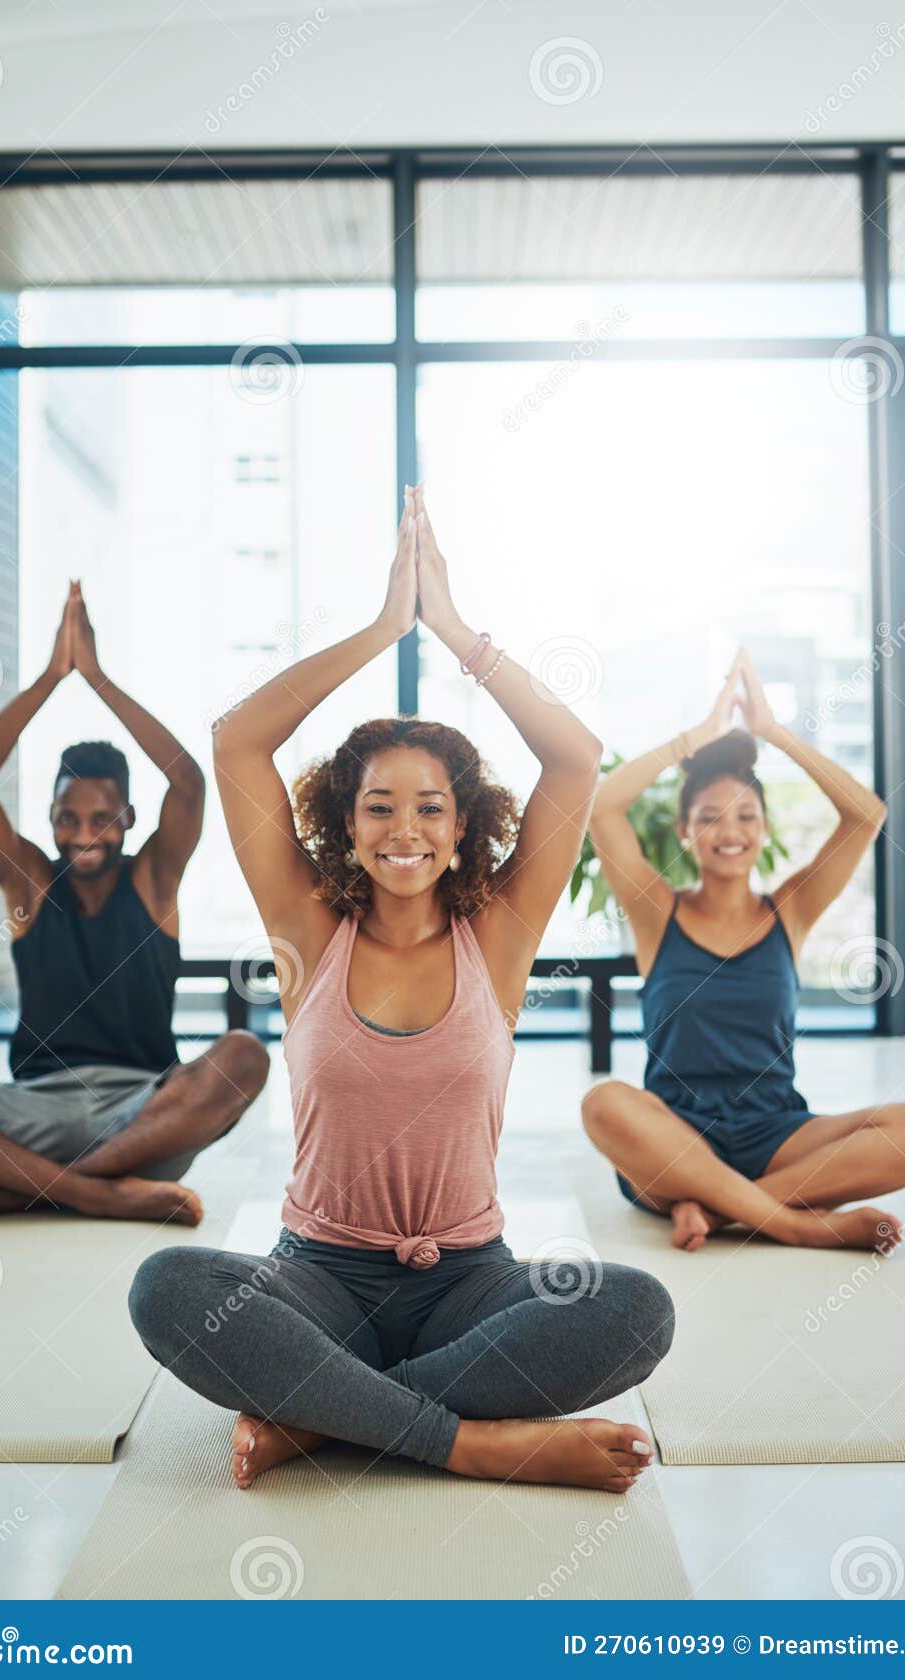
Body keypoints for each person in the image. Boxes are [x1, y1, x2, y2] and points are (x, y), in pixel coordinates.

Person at [128, 486, 675, 1495]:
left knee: (637, 1311)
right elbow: (238, 741)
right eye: (378, 805)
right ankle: (467, 1441)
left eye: (431, 807)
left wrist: (457, 631)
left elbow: (575, 757)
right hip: (317, 1274)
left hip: (469, 1280)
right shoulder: (307, 929)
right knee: (167, 1286)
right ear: (345, 822)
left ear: (464, 826)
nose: (405, 827)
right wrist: (384, 627)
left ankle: (326, 1417)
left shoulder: (499, 938)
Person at [0, 583, 268, 1225]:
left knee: (246, 1053)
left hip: (146, 1111)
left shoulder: (155, 879)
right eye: (66, 818)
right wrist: (53, 676)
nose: (82, 835)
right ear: (48, 818)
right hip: (34, 1109)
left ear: (129, 818)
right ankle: (98, 1193)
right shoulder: (29, 884)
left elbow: (186, 778)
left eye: (101, 819)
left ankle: (29, 1192)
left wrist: (97, 678)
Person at [581, 648, 905, 1253]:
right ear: (685, 831)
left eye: (745, 816)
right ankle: (796, 1223)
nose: (729, 832)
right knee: (604, 1103)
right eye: (709, 818)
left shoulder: (791, 910)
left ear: (764, 828)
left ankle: (718, 1211)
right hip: (676, 1141)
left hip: (778, 1133)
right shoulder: (657, 912)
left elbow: (867, 815)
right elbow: (600, 807)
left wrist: (774, 733)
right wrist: (698, 737)